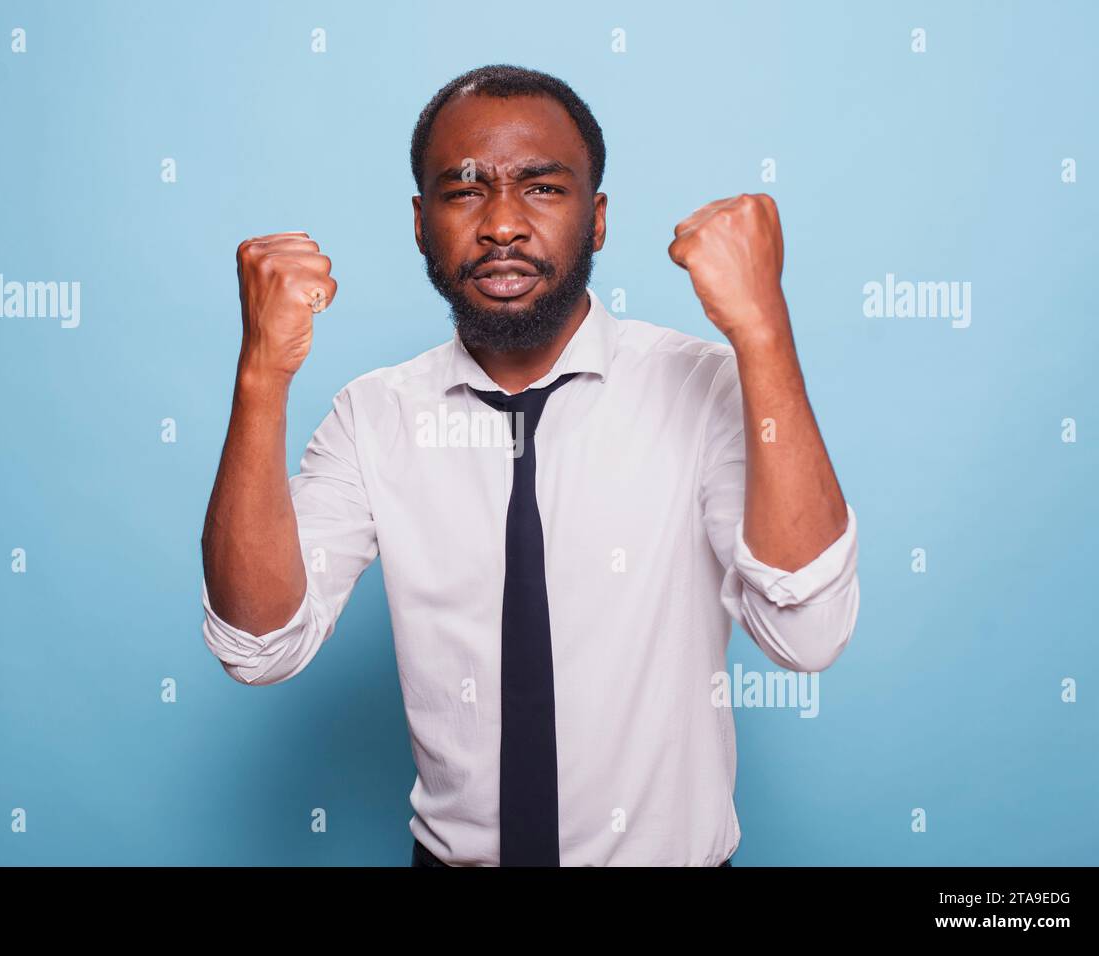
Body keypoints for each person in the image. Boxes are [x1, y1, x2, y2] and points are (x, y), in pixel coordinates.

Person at [200, 64, 859, 867]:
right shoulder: (374, 416)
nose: (503, 225)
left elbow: (810, 634)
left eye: (543, 189)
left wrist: (763, 333)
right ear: (419, 221)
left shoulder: (707, 388)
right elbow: (258, 646)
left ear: (598, 218)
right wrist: (261, 376)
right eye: (465, 191)